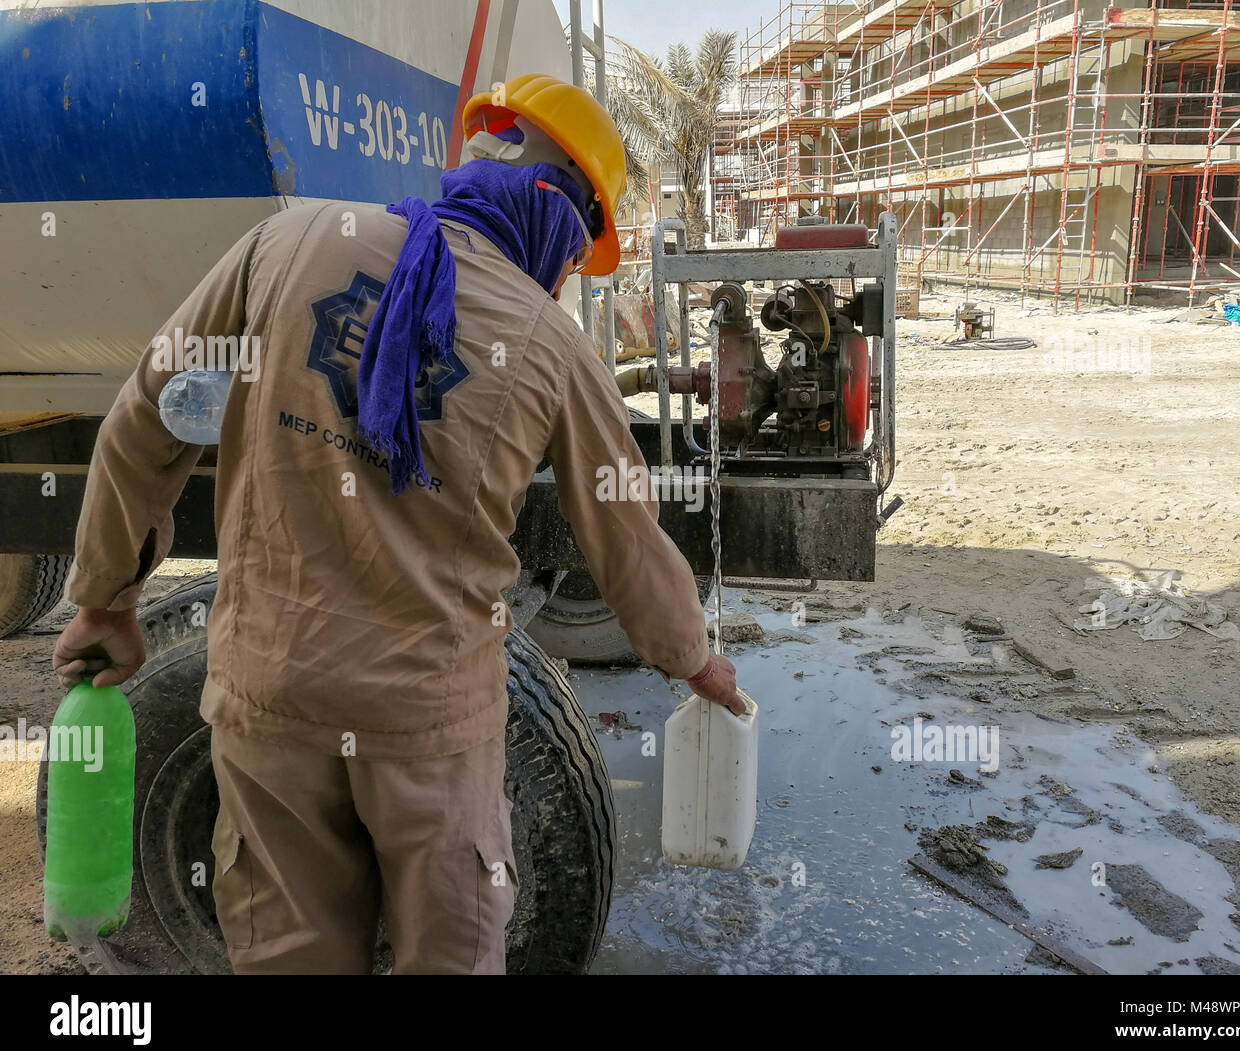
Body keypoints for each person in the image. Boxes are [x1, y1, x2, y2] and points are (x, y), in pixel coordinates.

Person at [51, 73, 744, 974]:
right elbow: (629, 544)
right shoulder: (550, 343)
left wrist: (106, 598)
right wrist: (693, 657)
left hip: (270, 704)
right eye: (577, 251)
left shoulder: (285, 242)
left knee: (288, 953)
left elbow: (146, 416)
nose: (567, 275)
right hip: (430, 732)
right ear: (553, 209)